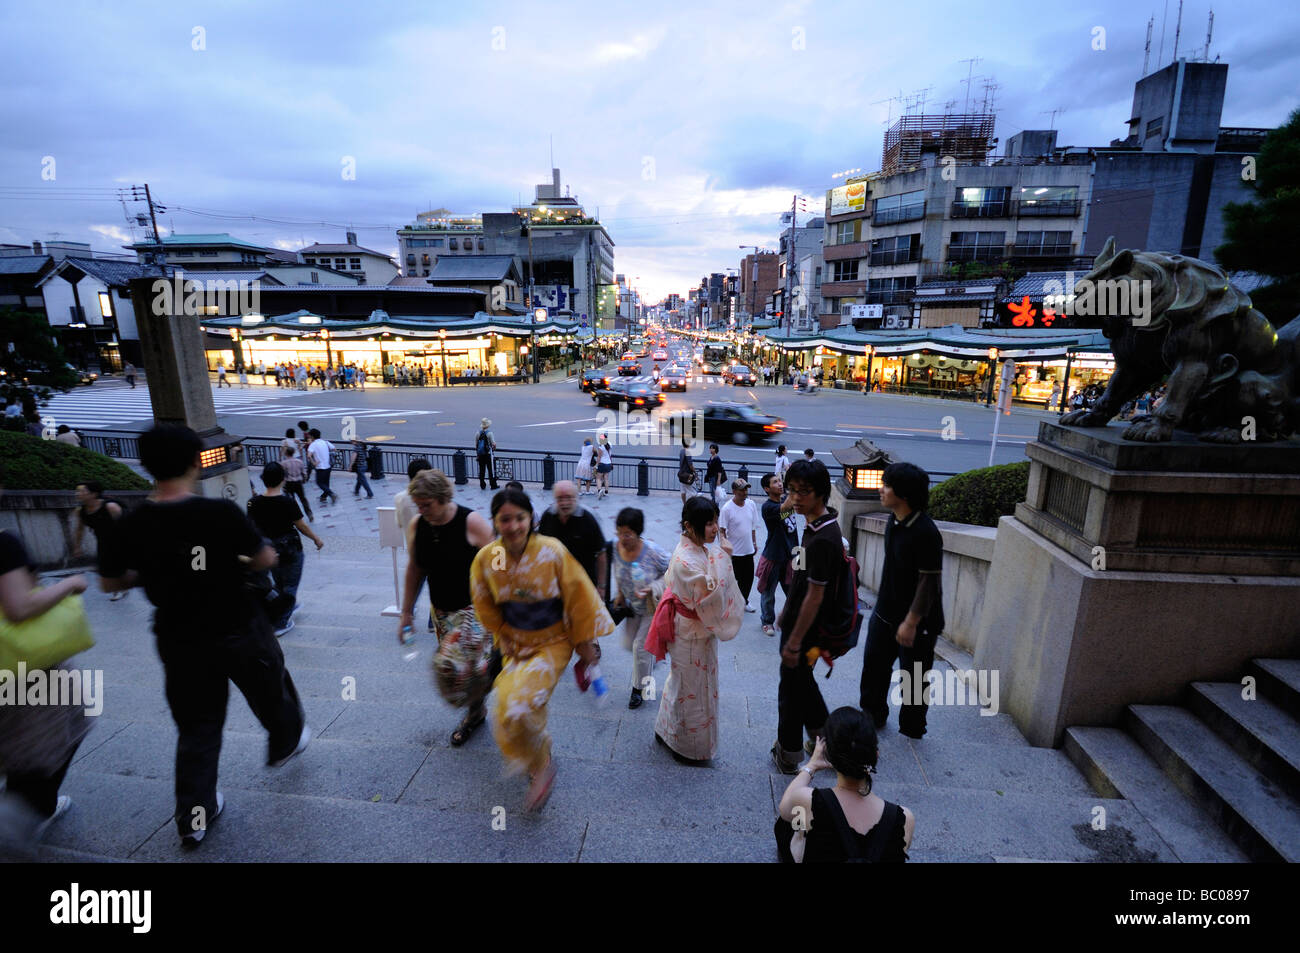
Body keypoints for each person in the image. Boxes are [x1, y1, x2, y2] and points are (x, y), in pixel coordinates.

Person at [98, 425, 309, 848]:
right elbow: (265, 557)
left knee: (197, 725)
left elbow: (109, 582)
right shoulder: (218, 513)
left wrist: (156, 571)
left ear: (145, 465)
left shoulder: (134, 521)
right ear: (196, 462)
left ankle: (193, 816)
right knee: (270, 684)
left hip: (179, 635)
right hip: (235, 624)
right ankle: (284, 738)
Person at [470, 487, 613, 811]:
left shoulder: (552, 552)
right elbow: (484, 601)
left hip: (552, 643)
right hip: (515, 643)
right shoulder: (488, 558)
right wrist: (502, 633)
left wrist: (585, 646)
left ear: (531, 519)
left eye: (520, 518)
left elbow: (579, 601)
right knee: (503, 708)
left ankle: (539, 765)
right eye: (505, 519)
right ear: (495, 522)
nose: (514, 526)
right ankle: (540, 754)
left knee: (520, 706)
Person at [0, 465, 92, 844]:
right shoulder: (3, 543)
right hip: (23, 662)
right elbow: (19, 607)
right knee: (66, 728)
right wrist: (70, 583)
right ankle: (21, 814)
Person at [400, 469, 496, 745]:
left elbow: (499, 565)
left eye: (426, 504)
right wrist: (406, 612)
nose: (421, 510)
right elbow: (415, 569)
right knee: (468, 672)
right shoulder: (419, 525)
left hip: (472, 610)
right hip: (440, 611)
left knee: (451, 667)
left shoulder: (471, 522)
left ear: (442, 497)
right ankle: (476, 710)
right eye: (418, 505)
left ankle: (479, 702)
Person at [646, 495, 742, 762]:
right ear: (689, 526)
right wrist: (725, 558)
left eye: (715, 522)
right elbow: (713, 595)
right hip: (691, 630)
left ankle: (666, 729)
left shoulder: (694, 550)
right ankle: (687, 748)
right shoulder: (687, 560)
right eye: (709, 523)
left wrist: (719, 557)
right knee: (694, 689)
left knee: (683, 682)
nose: (714, 528)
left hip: (693, 627)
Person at [859, 462, 944, 739]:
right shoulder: (893, 520)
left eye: (887, 485)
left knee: (915, 678)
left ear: (904, 494)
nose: (881, 489)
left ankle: (913, 727)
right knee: (874, 668)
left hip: (918, 623)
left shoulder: (926, 532)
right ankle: (872, 717)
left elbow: (928, 582)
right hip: (884, 613)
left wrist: (911, 622)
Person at [775, 707, 914, 863]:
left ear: (828, 754)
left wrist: (811, 766)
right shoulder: (904, 818)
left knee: (789, 825)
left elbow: (784, 809)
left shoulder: (808, 800)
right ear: (875, 755)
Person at [772, 458, 838, 774]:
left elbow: (816, 596)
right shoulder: (812, 525)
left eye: (804, 491)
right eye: (792, 490)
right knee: (802, 684)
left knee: (791, 686)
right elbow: (801, 577)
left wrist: (795, 642)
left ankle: (789, 753)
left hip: (809, 632)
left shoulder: (825, 537)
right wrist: (786, 608)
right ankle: (826, 742)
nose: (796, 498)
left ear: (822, 493)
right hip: (800, 622)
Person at [249, 461, 324, 636]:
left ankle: (281, 607)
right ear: (282, 479)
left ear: (263, 479)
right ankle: (281, 621)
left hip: (267, 549)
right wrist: (316, 539)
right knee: (290, 585)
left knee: (279, 582)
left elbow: (251, 526)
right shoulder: (287, 502)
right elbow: (301, 526)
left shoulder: (253, 502)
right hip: (289, 548)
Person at [610, 507, 671, 710]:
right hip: (630, 606)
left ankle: (639, 690)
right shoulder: (616, 548)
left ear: (638, 533)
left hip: (650, 606)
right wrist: (619, 593)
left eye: (627, 534)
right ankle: (653, 658)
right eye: (619, 532)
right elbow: (617, 570)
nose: (622, 538)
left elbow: (672, 570)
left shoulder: (653, 552)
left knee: (640, 648)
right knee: (631, 646)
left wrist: (653, 587)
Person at [536, 481, 607, 593]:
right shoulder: (548, 516)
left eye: (569, 497)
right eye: (560, 498)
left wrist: (601, 586)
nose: (564, 503)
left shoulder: (588, 518)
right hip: (556, 582)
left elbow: (601, 554)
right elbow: (540, 549)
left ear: (576, 497)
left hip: (584, 583)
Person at [757, 472, 797, 637]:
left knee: (795, 591)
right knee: (768, 593)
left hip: (793, 553)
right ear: (767, 488)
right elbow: (786, 507)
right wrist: (793, 488)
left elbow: (792, 529)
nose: (780, 484)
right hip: (774, 555)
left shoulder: (784, 503)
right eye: (775, 482)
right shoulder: (768, 507)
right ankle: (767, 622)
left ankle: (791, 620)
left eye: (780, 481)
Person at [72, 480, 125, 600]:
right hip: (103, 540)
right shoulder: (81, 511)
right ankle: (118, 588)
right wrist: (77, 546)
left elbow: (126, 524)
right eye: (77, 491)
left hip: (121, 539)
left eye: (82, 491)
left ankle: (121, 587)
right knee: (106, 566)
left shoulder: (110, 507)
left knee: (118, 564)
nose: (77, 494)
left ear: (93, 494)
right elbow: (80, 529)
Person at [718, 478, 759, 612]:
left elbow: (753, 526)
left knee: (748, 579)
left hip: (748, 550)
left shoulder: (751, 504)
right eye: (741, 490)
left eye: (746, 489)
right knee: (732, 580)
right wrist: (724, 549)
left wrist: (754, 542)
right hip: (734, 552)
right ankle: (729, 603)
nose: (744, 492)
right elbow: (722, 531)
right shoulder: (727, 509)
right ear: (734, 491)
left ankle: (744, 601)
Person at [280, 446, 313, 522]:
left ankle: (296, 516)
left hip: (289, 483)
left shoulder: (283, 463)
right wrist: (304, 480)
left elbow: (282, 475)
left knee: (291, 500)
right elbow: (304, 473)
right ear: (293, 453)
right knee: (303, 499)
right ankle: (309, 514)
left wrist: (283, 485)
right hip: (298, 482)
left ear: (286, 454)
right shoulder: (299, 462)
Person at [307, 428, 338, 505]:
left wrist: (314, 463)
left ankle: (332, 494)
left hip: (320, 467)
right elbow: (334, 449)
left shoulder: (313, 445)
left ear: (312, 436)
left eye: (310, 436)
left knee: (319, 483)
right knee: (326, 483)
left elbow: (309, 456)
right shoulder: (325, 442)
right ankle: (323, 497)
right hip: (328, 466)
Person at [475, 418, 498, 491]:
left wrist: (478, 453)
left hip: (480, 454)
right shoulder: (489, 433)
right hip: (488, 455)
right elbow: (493, 444)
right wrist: (494, 448)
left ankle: (482, 484)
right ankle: (493, 485)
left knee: (482, 470)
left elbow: (476, 445)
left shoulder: (478, 433)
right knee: (490, 470)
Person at [677, 436, 696, 503]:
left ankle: (685, 504)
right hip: (687, 475)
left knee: (683, 491)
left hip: (682, 473)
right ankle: (692, 505)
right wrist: (695, 472)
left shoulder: (681, 451)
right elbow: (690, 465)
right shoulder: (688, 452)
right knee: (693, 492)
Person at [594, 434, 613, 499]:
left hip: (602, 464)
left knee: (598, 478)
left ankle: (599, 490)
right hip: (608, 464)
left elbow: (599, 457)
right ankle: (606, 491)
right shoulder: (610, 444)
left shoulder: (601, 447)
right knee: (606, 478)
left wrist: (596, 465)